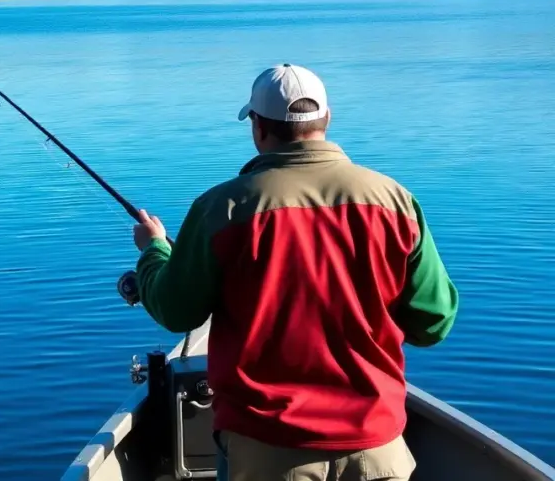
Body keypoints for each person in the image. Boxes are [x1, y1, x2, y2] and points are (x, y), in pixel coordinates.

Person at [132, 63, 458, 481]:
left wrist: (154, 251)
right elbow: (433, 323)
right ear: (328, 118)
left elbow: (175, 311)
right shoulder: (395, 202)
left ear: (258, 126)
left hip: (266, 449)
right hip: (377, 447)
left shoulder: (221, 208)